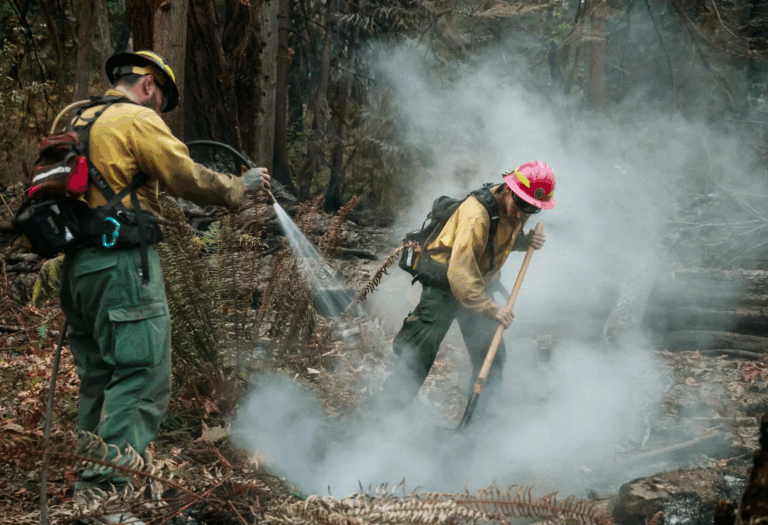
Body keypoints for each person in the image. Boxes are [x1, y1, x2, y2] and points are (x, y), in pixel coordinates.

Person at [58, 51, 270, 521]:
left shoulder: (80, 119)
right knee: (141, 375)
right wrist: (240, 186)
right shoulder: (134, 118)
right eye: (160, 103)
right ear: (149, 84)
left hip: (78, 270)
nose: (159, 114)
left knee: (99, 378)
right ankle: (109, 501)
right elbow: (184, 175)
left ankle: (90, 497)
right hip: (122, 268)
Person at [377, 161, 555, 423]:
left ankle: (478, 429)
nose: (522, 215)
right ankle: (381, 420)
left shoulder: (516, 208)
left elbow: (495, 241)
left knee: (492, 359)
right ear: (509, 189)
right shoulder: (476, 215)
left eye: (532, 210)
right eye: (521, 205)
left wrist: (525, 241)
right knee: (418, 352)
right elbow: (460, 275)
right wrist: (492, 309)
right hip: (444, 284)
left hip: (477, 286)